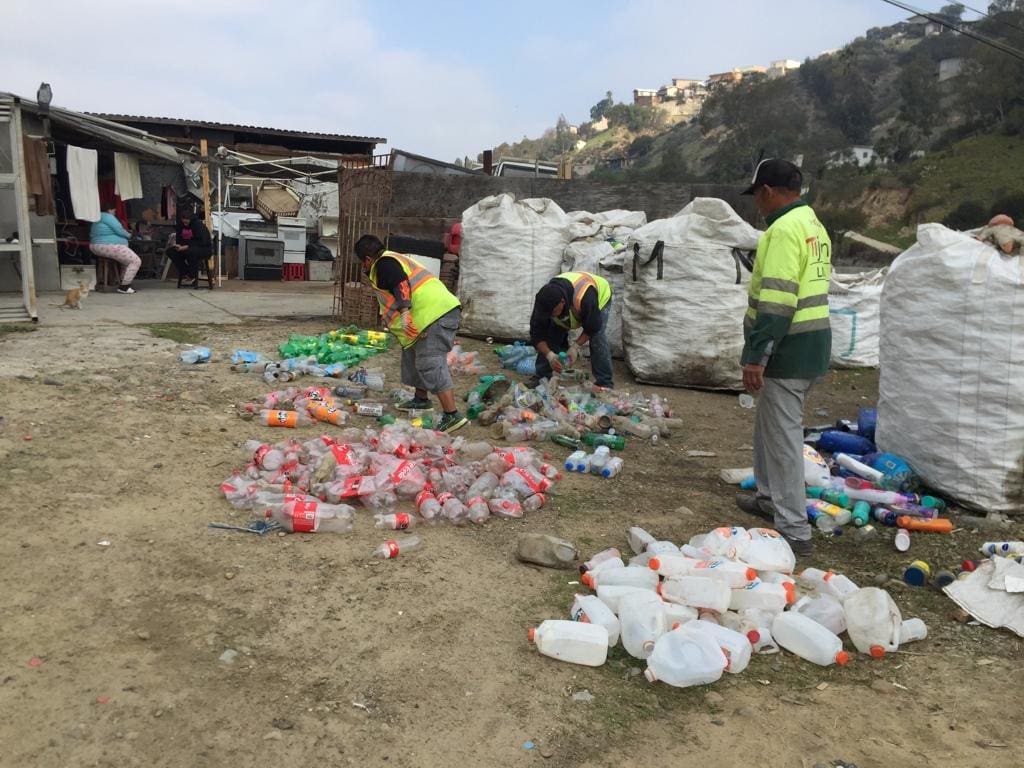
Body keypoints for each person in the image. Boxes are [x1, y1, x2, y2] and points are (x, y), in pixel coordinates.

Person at [734, 158, 832, 557]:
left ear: (769, 192)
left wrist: (757, 355)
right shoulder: (813, 225)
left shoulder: (782, 230)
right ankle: (768, 497)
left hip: (789, 348)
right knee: (770, 426)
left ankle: (794, 528)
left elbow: (776, 300)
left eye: (757, 194)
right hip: (813, 342)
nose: (757, 203)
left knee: (784, 438)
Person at [355, 234, 468, 433]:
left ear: (367, 259)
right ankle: (421, 399)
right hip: (427, 316)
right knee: (413, 356)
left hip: (434, 314)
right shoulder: (391, 260)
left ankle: (452, 415)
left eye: (362, 262)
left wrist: (405, 313)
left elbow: (401, 284)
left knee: (430, 362)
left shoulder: (384, 263)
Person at [528, 271, 613, 388]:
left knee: (597, 338)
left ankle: (604, 383)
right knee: (552, 332)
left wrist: (575, 347)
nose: (551, 315)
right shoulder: (544, 300)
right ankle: (541, 377)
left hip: (599, 295)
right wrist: (550, 356)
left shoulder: (585, 298)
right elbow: (536, 333)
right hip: (569, 300)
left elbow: (592, 327)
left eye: (552, 312)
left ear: (562, 302)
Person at [89, 203, 141, 294]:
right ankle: (124, 287)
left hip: (98, 245)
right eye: (114, 210)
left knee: (126, 262)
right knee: (135, 261)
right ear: (109, 210)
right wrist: (130, 235)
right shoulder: (107, 216)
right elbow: (119, 229)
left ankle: (123, 282)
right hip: (106, 245)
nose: (114, 212)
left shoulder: (99, 217)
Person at [171, 210, 212, 288]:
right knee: (171, 252)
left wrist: (186, 246)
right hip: (184, 247)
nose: (185, 223)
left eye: (186, 222)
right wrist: (178, 245)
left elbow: (202, 241)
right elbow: (179, 238)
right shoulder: (181, 225)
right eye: (183, 222)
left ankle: (192, 274)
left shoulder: (198, 225)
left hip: (203, 248)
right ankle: (188, 273)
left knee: (191, 252)